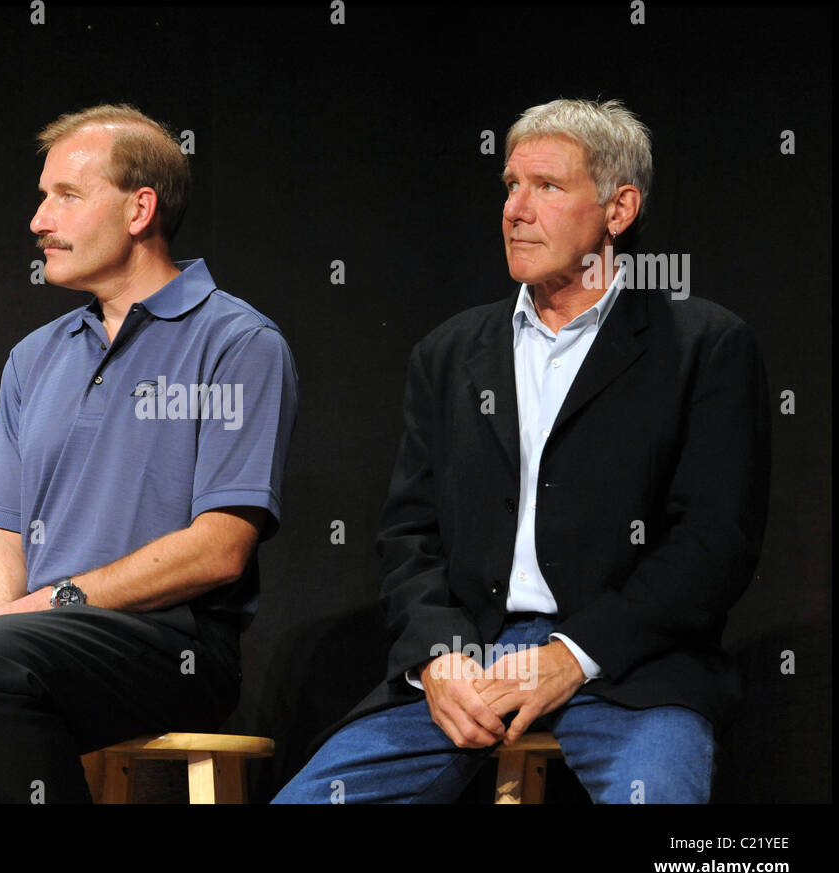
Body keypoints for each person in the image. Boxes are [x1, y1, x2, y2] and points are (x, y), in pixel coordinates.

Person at [273, 99, 770, 804]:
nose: (516, 208)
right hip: (470, 660)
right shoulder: (449, 354)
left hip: (631, 665)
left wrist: (573, 655)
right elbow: (410, 536)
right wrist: (439, 658)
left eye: (547, 186)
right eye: (510, 185)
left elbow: (714, 542)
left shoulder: (702, 345)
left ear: (618, 209)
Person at [0, 104, 298, 803]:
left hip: (171, 643)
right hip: (22, 650)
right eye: (42, 198)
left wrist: (46, 603)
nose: (39, 220)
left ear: (139, 210)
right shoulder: (34, 357)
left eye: (65, 196)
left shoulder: (238, 342)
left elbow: (220, 548)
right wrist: (7, 615)